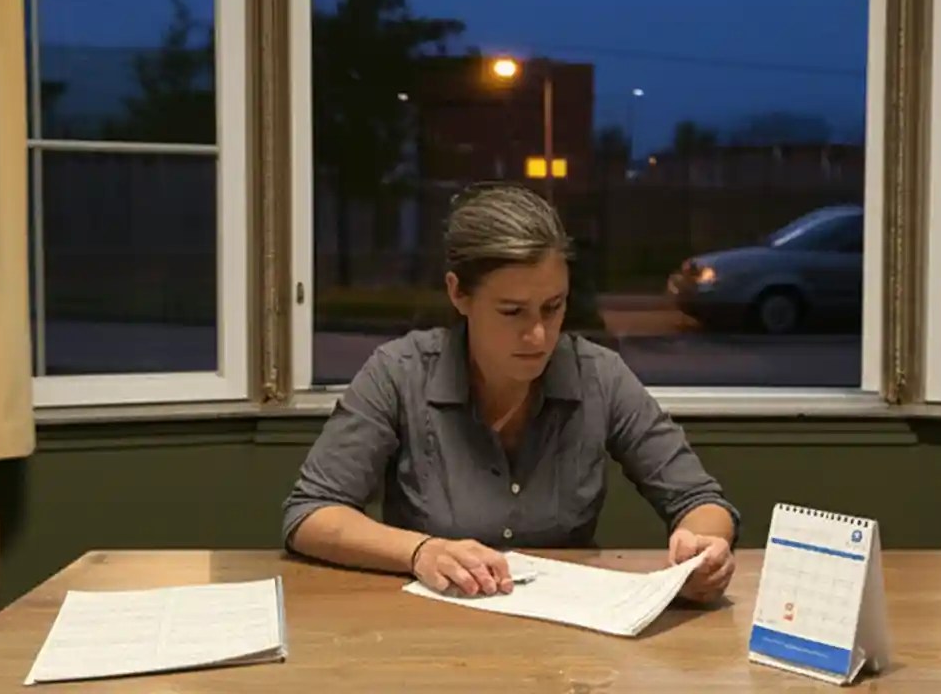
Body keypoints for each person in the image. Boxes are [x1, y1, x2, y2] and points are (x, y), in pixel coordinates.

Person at [282, 183, 740, 603]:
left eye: (553, 307)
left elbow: (699, 501)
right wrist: (420, 551)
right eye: (512, 311)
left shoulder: (598, 375)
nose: (539, 335)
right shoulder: (398, 373)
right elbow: (311, 514)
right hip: (430, 636)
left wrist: (704, 550)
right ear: (459, 294)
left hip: (566, 640)